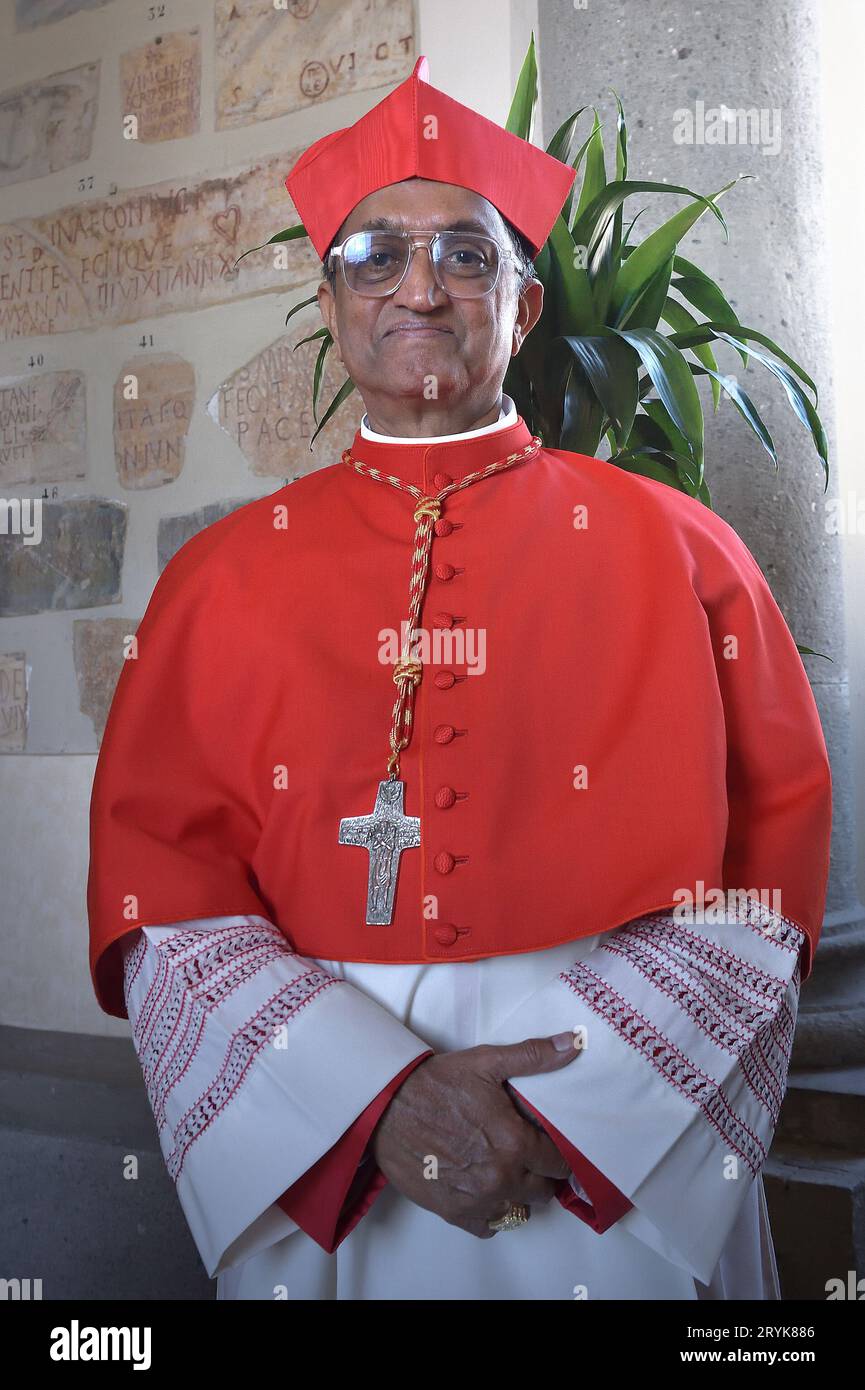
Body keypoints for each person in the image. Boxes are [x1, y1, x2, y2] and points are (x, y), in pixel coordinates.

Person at [87, 57, 832, 1301]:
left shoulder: (681, 548)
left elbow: (770, 872)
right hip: (341, 1147)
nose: (419, 285)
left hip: (617, 1139)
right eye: (375, 255)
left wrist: (581, 1116)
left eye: (466, 255)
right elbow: (164, 894)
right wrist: (370, 1104)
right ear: (331, 300)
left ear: (525, 307)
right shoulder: (217, 580)